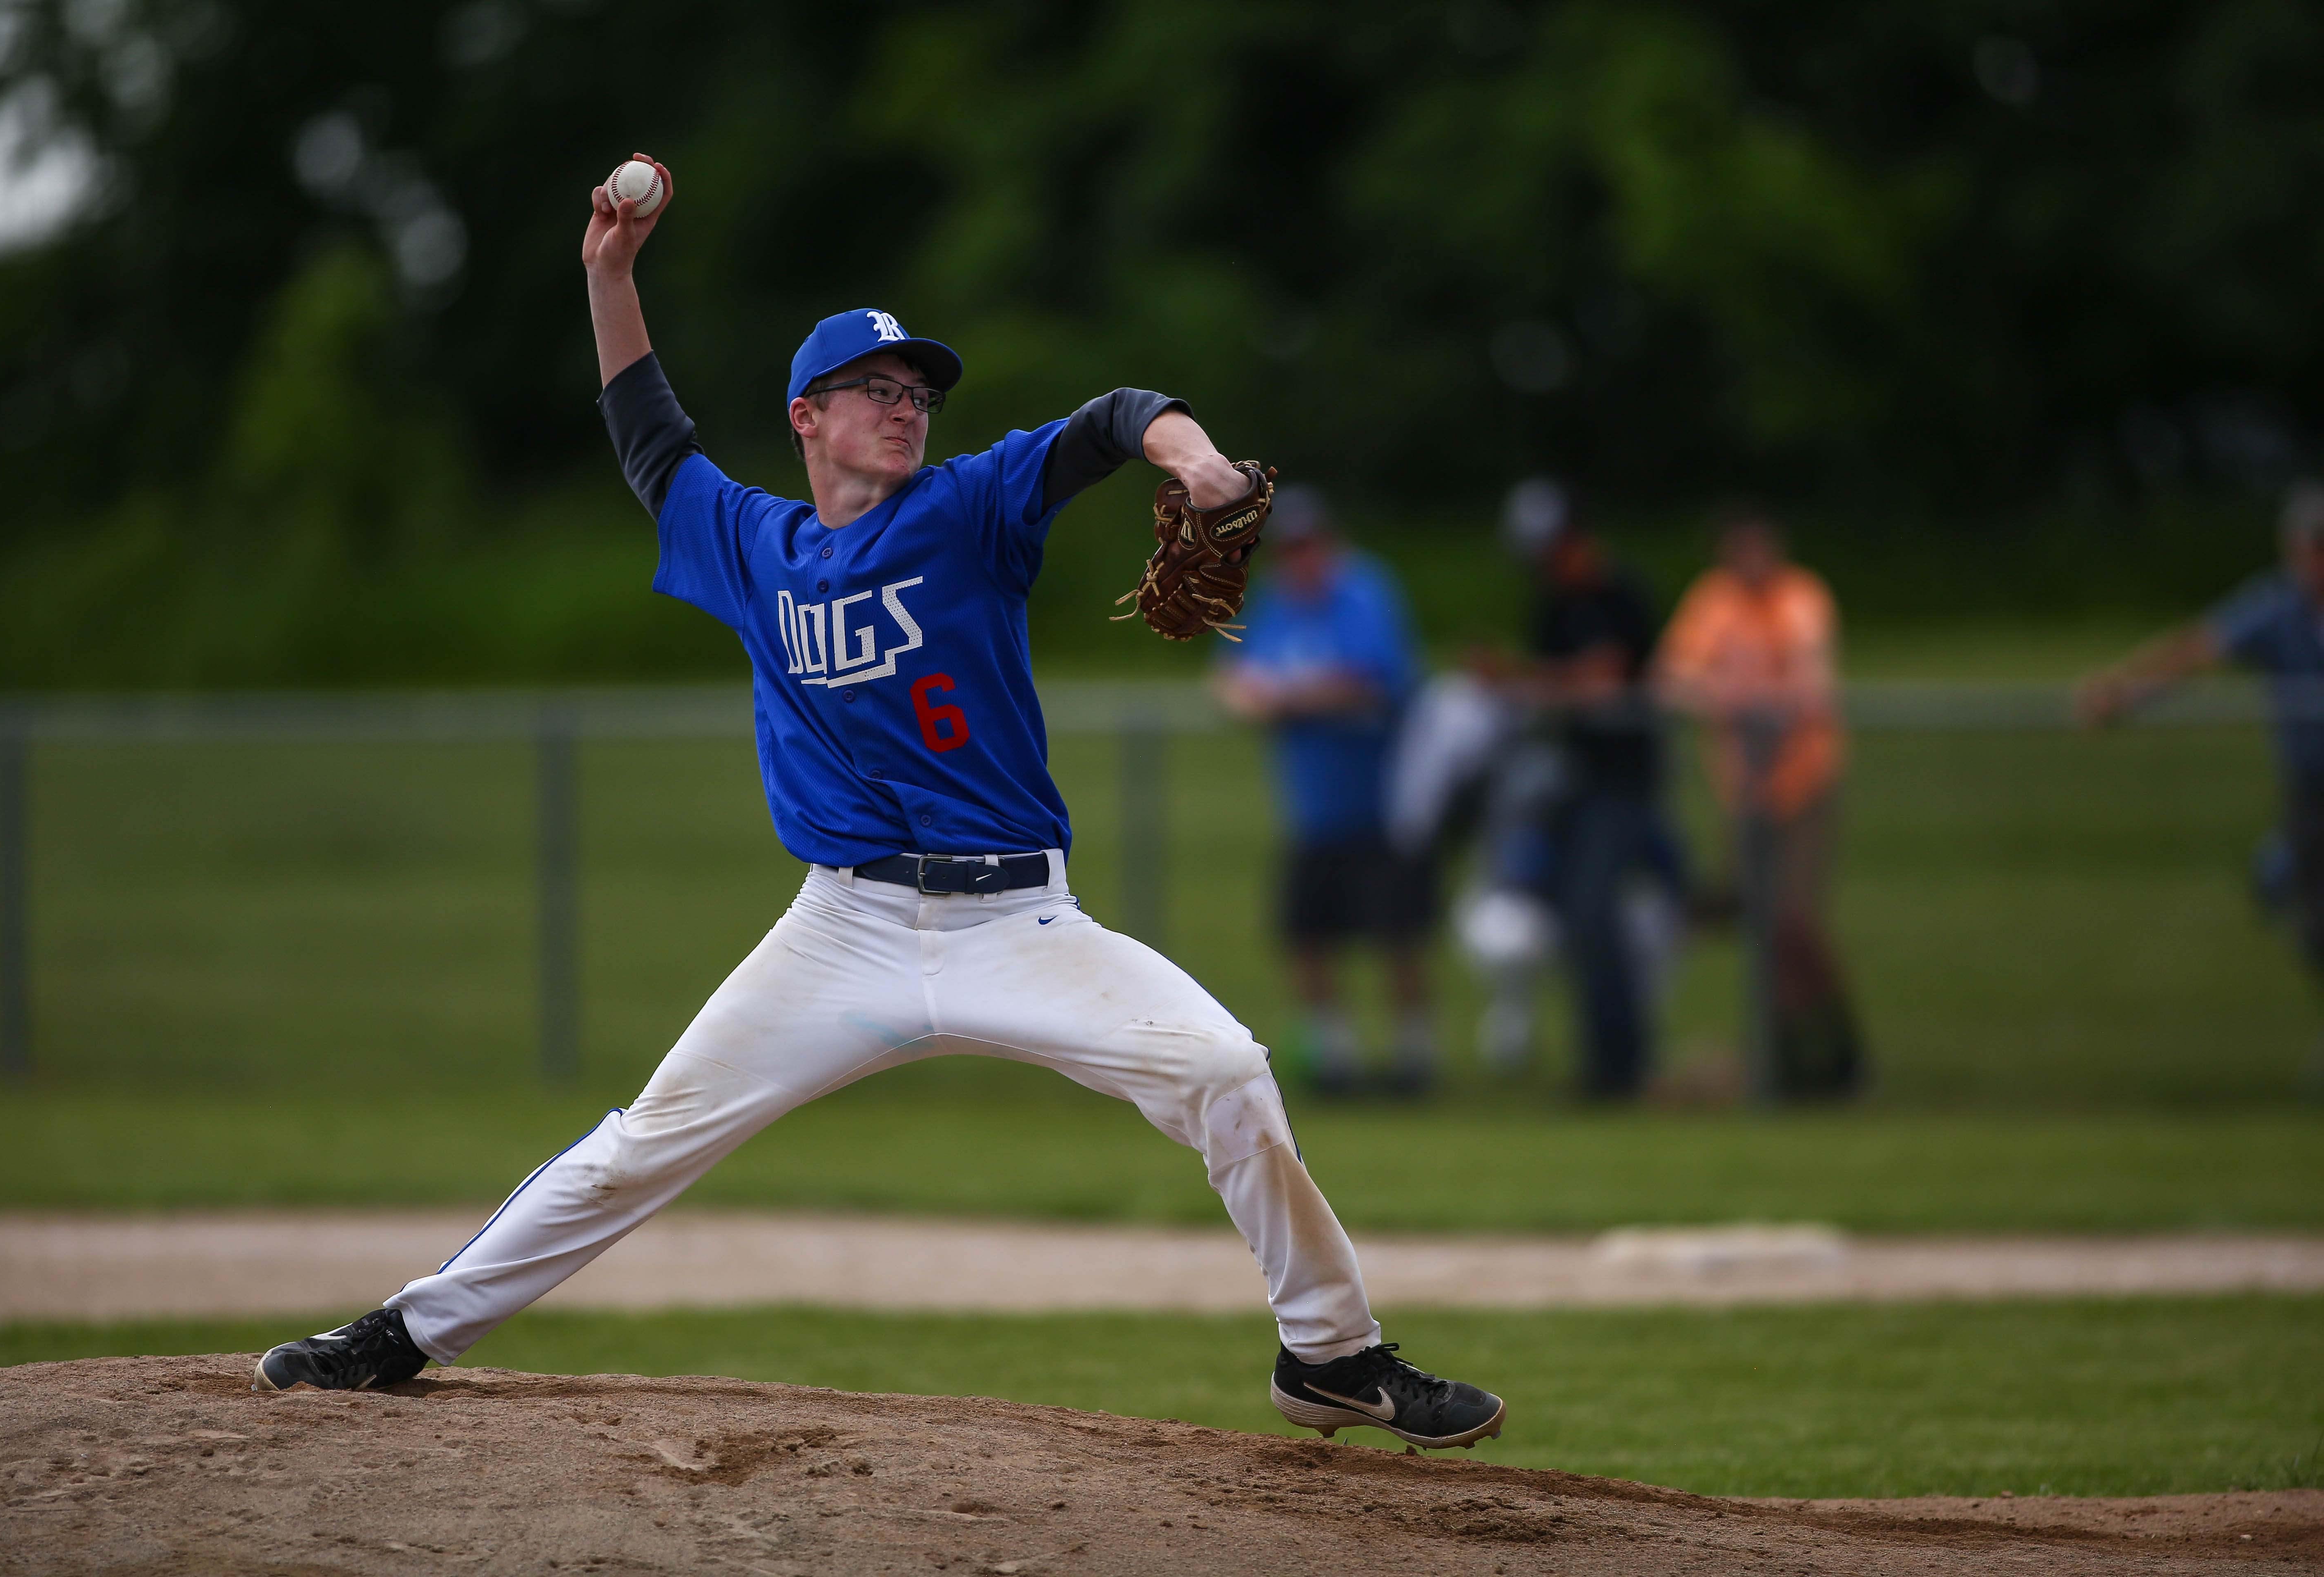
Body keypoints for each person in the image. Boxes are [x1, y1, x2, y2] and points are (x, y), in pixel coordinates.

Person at [247, 154, 1506, 1451]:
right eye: (874, 391)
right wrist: (610, 273)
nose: (906, 410)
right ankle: (399, 1335)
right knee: (644, 1145)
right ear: (806, 416)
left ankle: (1332, 1357)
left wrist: (1197, 463)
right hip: (839, 933)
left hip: (1021, 924)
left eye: (917, 394)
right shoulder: (752, 544)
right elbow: (647, 437)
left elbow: (1112, 416)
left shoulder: (968, 514)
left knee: (1228, 1071)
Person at [2081, 480, 2324, 1051]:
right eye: (2308, 547)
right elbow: (2198, 648)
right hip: (2312, 792)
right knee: (2314, 923)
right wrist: (2123, 693)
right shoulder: (2278, 607)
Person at [1211, 487, 1435, 1095]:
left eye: (1310, 546)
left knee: (1397, 935)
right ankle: (1335, 1058)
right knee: (1306, 935)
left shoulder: (1364, 593)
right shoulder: (1277, 605)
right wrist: (1263, 696)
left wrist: (1285, 697)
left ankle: (1415, 1058)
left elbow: (1371, 681)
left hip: (1382, 803)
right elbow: (1233, 680)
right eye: (1289, 550)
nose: (1300, 559)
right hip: (1313, 810)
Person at [1656, 510, 1863, 1098]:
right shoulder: (1714, 603)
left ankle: (1834, 1051)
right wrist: (1725, 696)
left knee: (1792, 920)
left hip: (1803, 779)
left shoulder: (1800, 596)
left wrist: (1770, 701)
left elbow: (1810, 676)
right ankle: (1791, 1059)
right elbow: (1672, 676)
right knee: (1765, 925)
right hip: (1744, 790)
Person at [1495, 480, 1669, 1098]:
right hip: (1573, 778)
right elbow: (1562, 688)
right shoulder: (1552, 602)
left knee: (1597, 909)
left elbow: (1606, 680)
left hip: (1622, 779)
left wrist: (1526, 680)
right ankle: (1606, 1062)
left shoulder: (1620, 592)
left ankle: (1623, 1066)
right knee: (1574, 915)